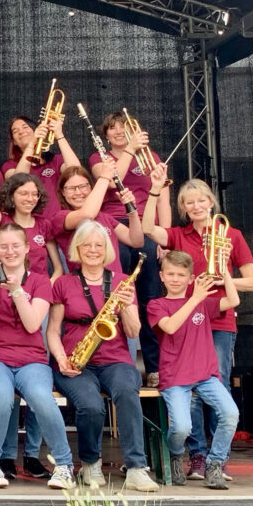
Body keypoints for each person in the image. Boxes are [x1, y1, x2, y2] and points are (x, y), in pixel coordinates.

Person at [143, 166, 253, 479]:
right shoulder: (179, 235)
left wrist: (221, 279)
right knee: (187, 389)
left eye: (200, 201)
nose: (195, 206)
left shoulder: (230, 235)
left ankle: (215, 462)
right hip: (184, 318)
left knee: (216, 386)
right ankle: (196, 454)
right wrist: (155, 190)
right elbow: (147, 228)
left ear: (211, 202)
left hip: (217, 317)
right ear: (182, 208)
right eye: (188, 203)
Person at [46, 220, 158, 492]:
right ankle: (90, 463)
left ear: (107, 249)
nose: (93, 250)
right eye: (87, 245)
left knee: (127, 394)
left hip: (115, 360)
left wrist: (128, 305)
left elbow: (133, 332)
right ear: (77, 249)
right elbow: (52, 330)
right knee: (91, 406)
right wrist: (62, 359)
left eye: (99, 245)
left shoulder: (121, 282)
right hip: (75, 361)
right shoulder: (63, 283)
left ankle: (135, 467)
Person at [0, 224, 75, 489]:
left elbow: (32, 325)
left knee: (42, 398)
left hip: (31, 358)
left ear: (27, 248)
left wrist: (17, 290)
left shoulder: (40, 280)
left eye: (15, 245)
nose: (10, 251)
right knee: (1, 396)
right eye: (3, 246)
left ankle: (64, 465)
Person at [89, 110, 169, 386]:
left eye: (124, 127)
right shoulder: (100, 158)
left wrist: (164, 239)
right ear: (106, 134)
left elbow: (163, 202)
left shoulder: (152, 157)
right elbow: (111, 181)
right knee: (114, 294)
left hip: (146, 226)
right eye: (112, 128)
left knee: (149, 298)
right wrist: (130, 152)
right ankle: (116, 359)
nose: (119, 132)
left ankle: (154, 365)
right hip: (113, 224)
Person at [149, 252, 240, 489]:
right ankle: (176, 454)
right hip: (175, 376)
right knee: (181, 427)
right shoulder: (156, 305)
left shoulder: (201, 302)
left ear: (190, 278)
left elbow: (232, 301)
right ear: (161, 276)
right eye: (170, 274)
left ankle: (215, 464)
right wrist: (194, 297)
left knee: (231, 414)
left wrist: (226, 273)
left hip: (205, 374)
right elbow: (170, 327)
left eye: (181, 275)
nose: (175, 279)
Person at [2, 115, 80, 217]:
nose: (21, 132)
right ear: (14, 142)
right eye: (15, 131)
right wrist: (31, 144)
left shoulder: (55, 160)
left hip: (60, 220)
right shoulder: (10, 165)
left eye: (25, 127)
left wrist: (59, 134)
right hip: (31, 223)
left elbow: (76, 170)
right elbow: (19, 180)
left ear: (35, 130)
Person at [0, 173, 62, 280]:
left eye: (35, 194)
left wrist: (48, 286)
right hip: (10, 286)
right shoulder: (2, 221)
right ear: (11, 196)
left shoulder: (44, 224)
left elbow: (58, 268)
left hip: (40, 288)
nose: (30, 199)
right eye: (24, 193)